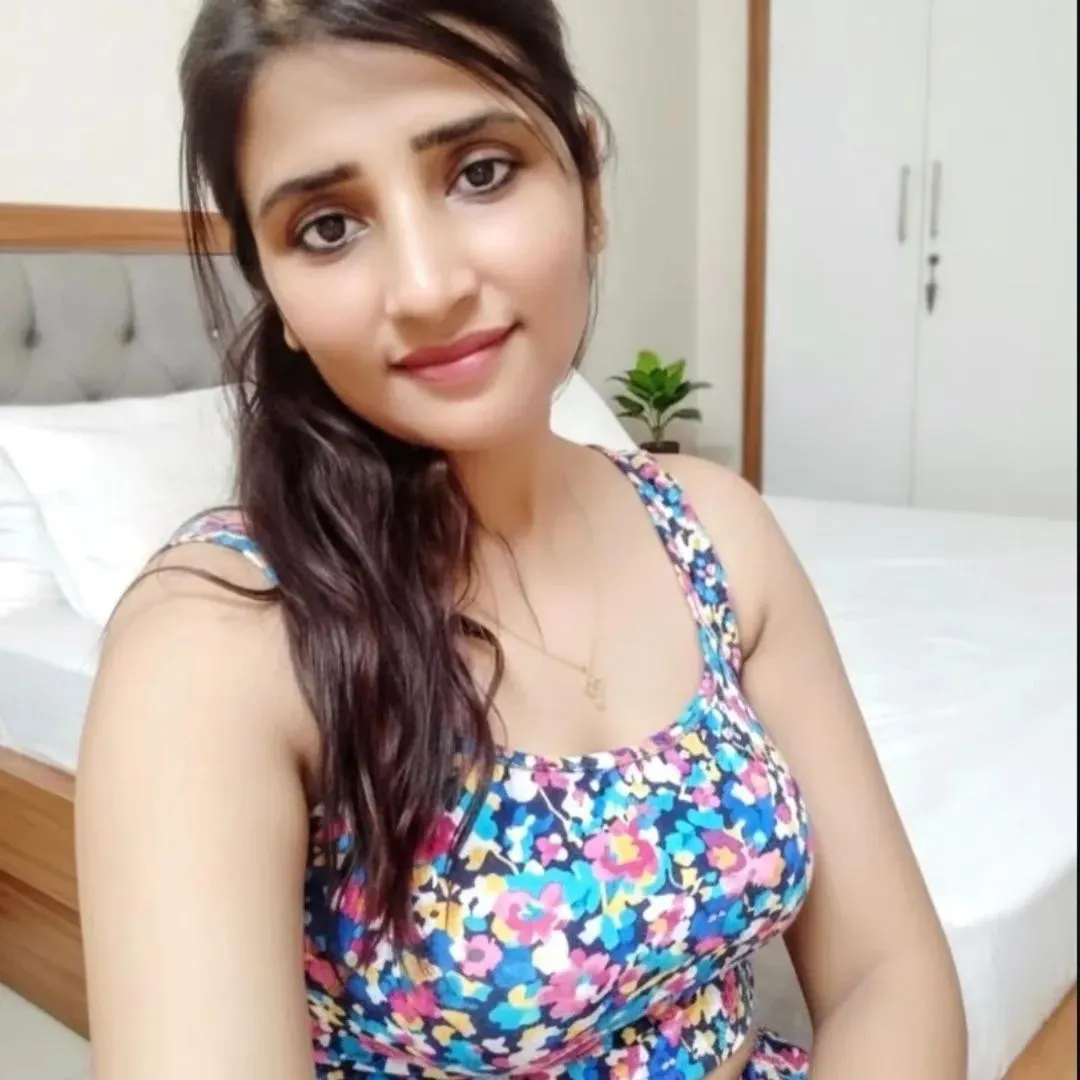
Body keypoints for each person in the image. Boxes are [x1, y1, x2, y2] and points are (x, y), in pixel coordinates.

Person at [75, 1, 968, 1077]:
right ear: (276, 292)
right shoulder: (214, 645)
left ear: (587, 183)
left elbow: (885, 969)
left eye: (481, 172)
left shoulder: (716, 528)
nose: (428, 287)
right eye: (328, 228)